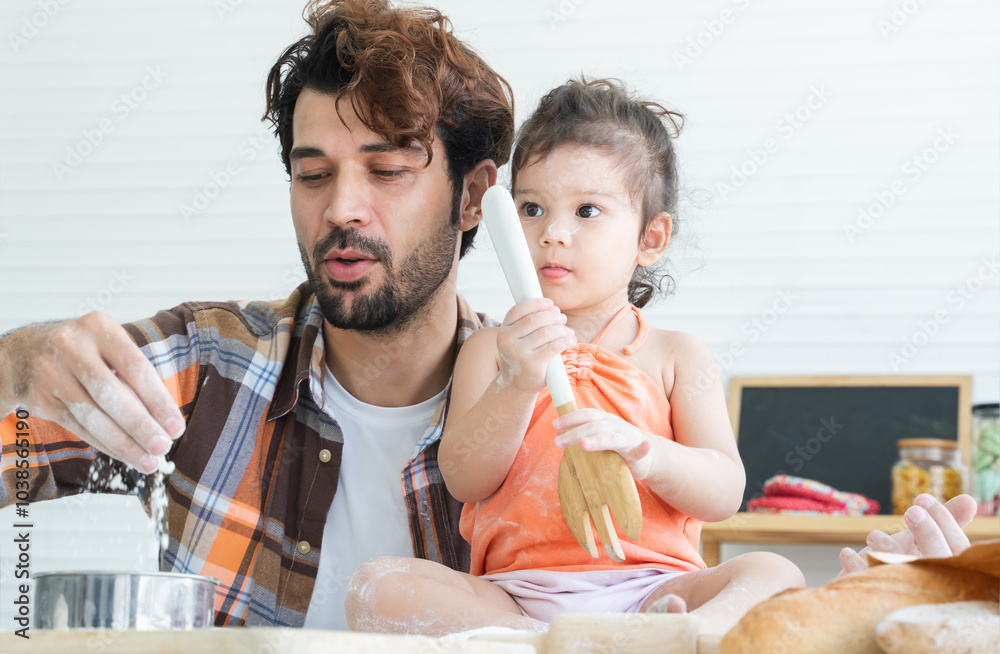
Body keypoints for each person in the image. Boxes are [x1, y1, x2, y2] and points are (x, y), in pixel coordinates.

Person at [0, 0, 514, 629]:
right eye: (314, 174)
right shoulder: (206, 368)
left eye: (387, 170)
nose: (342, 209)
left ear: (474, 198)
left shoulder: (554, 409)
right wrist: (16, 365)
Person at [344, 79, 807, 638]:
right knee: (377, 587)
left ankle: (671, 634)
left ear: (651, 239)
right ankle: (563, 645)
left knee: (775, 572)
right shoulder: (491, 350)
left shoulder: (676, 356)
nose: (552, 234)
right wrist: (515, 385)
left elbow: (724, 490)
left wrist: (647, 453)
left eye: (587, 211)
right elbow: (464, 479)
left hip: (655, 588)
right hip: (517, 598)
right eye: (532, 209)